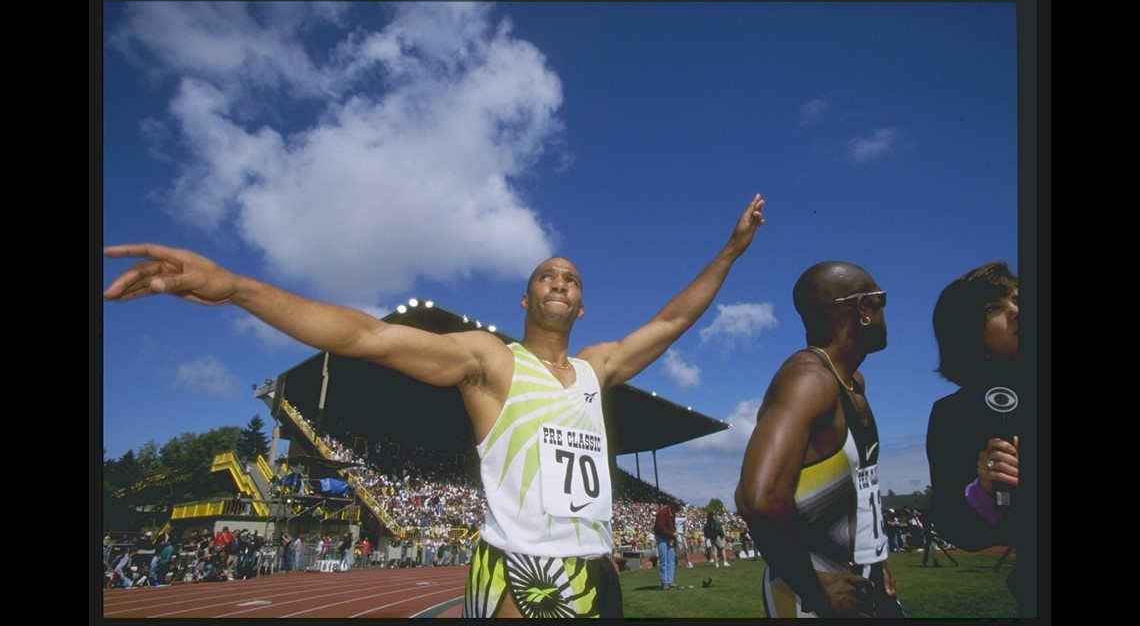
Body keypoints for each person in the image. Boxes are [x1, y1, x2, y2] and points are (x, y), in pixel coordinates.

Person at [104, 194, 766, 618]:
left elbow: (674, 318)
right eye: (545, 275)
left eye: (570, 279)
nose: (558, 281)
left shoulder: (599, 367)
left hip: (596, 566)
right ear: (526, 298)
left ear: (582, 304)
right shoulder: (491, 360)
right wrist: (237, 287)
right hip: (520, 568)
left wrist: (731, 250)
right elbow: (368, 335)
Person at [735, 261, 901, 618]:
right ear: (862, 310)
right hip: (813, 593)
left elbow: (859, 490)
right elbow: (757, 499)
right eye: (880, 299)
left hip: (859, 580)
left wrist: (875, 559)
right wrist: (816, 589)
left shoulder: (853, 384)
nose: (886, 309)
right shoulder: (809, 382)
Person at [926, 261, 1034, 616]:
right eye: (994, 309)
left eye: (1019, 298)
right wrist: (984, 491)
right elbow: (957, 527)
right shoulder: (955, 416)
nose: (1017, 312)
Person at [653, 501, 681, 590]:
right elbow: (660, 528)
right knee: (663, 560)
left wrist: (672, 536)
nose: (678, 513)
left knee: (671, 560)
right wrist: (671, 534)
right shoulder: (662, 513)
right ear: (673, 508)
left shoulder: (671, 514)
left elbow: (672, 526)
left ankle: (670, 581)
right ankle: (664, 582)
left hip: (669, 537)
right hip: (661, 537)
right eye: (677, 511)